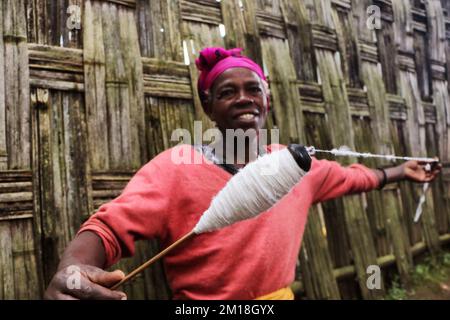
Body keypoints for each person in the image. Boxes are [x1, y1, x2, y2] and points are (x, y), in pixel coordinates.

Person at [44, 47, 442, 300]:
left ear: (268, 99)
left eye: (253, 88)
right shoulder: (175, 167)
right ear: (208, 106)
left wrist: (400, 172)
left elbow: (355, 178)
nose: (243, 99)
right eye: (226, 92)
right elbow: (110, 227)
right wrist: (72, 272)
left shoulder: (294, 166)